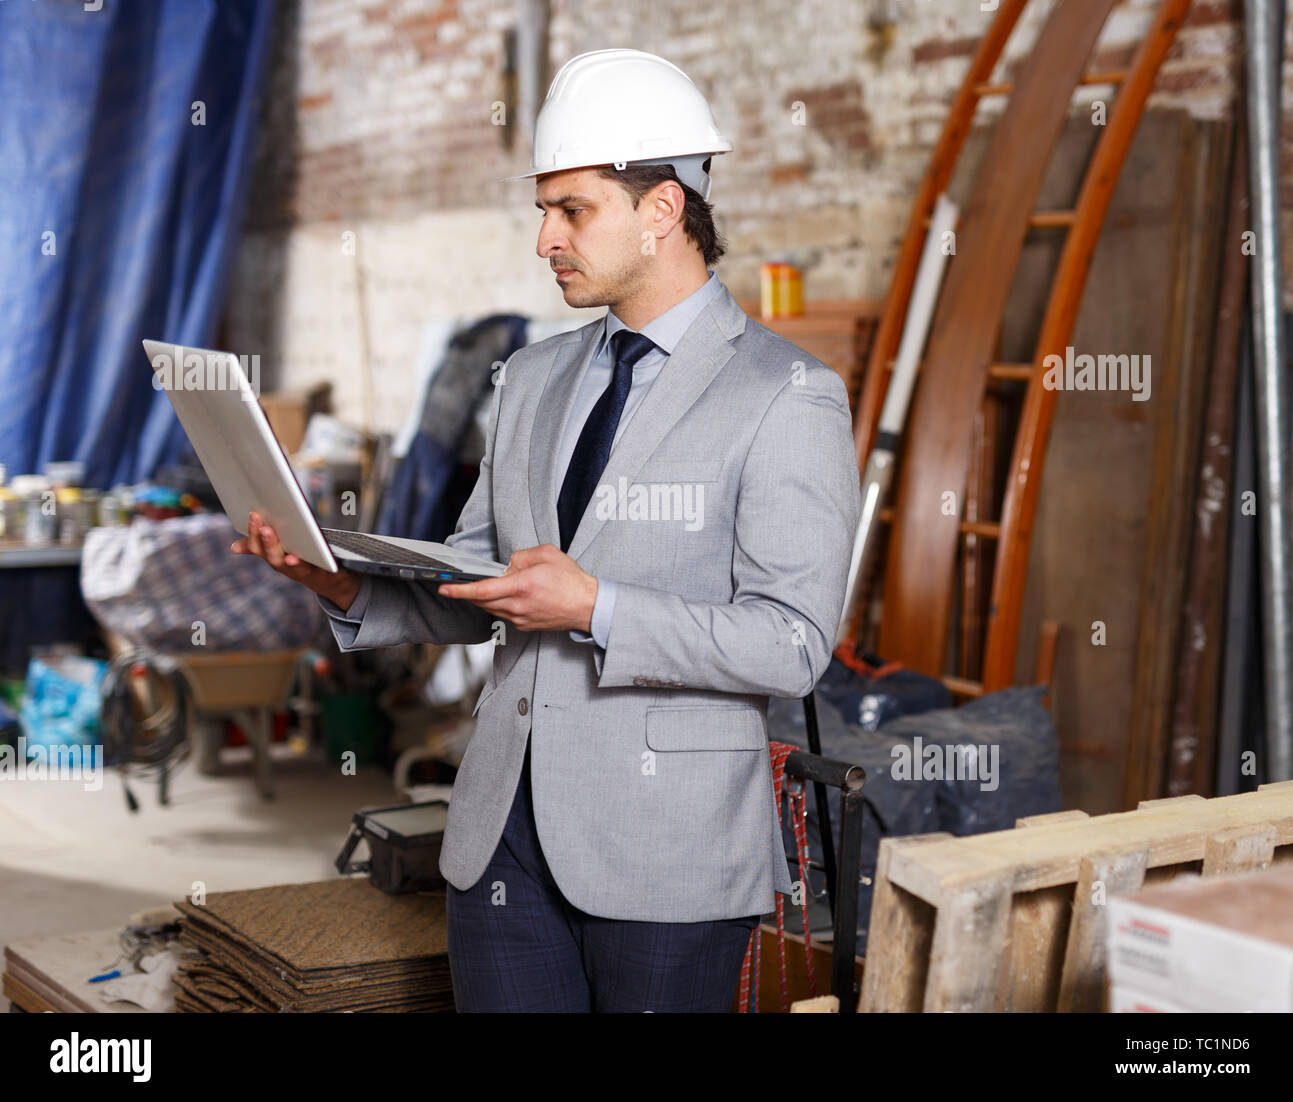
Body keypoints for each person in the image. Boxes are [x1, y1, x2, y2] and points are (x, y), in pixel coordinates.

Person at [234, 48, 859, 1012]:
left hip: (668, 853)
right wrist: (340, 584)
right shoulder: (531, 377)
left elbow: (793, 644)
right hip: (500, 836)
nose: (544, 240)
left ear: (662, 211)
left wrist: (597, 606)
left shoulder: (785, 395)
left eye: (572, 210)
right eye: (543, 210)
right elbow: (483, 582)